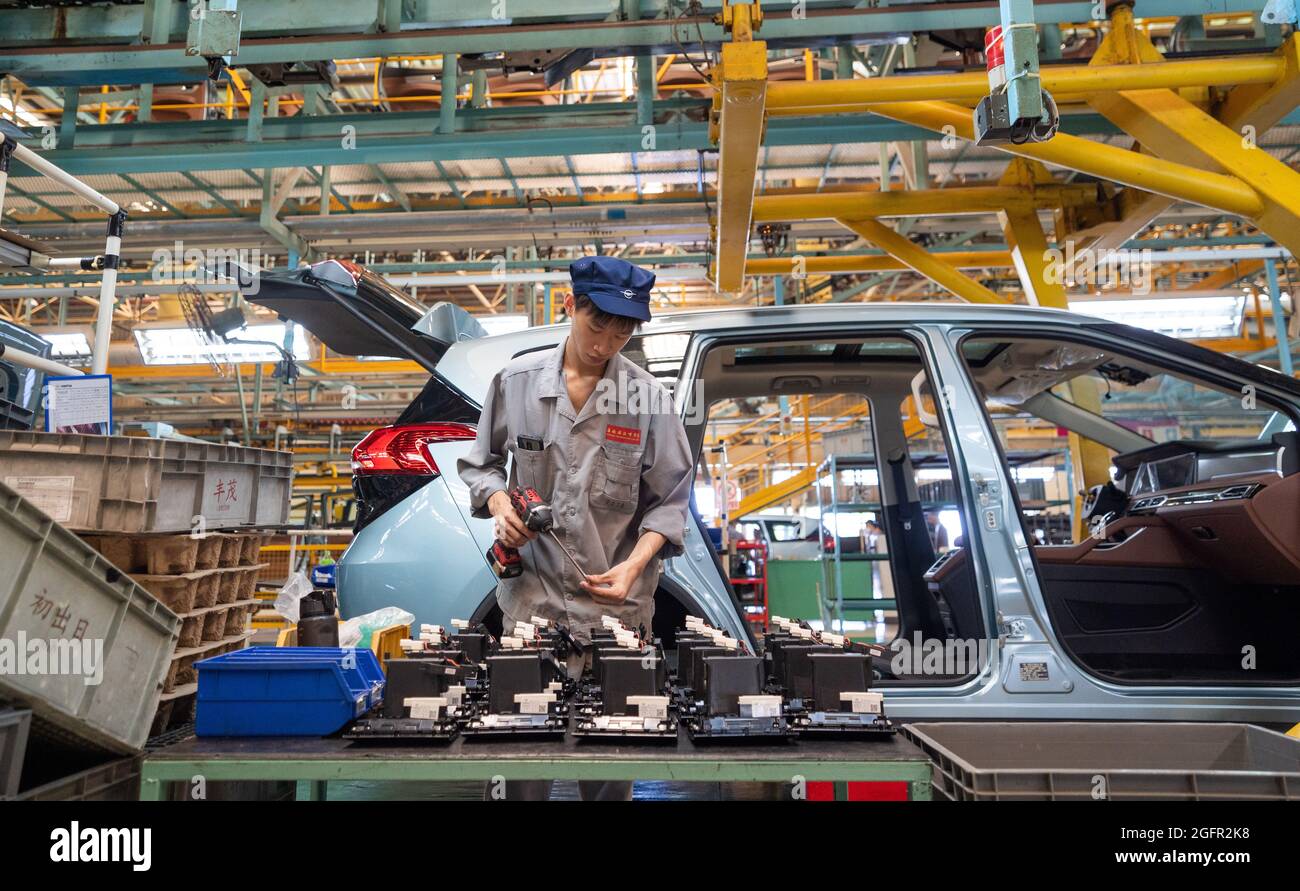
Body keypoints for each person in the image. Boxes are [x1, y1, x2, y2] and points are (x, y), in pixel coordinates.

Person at [457, 255, 694, 801]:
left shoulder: (647, 400)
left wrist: (635, 565)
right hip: (531, 610)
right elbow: (481, 464)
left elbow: (671, 499)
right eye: (597, 325)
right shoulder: (515, 384)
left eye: (622, 331)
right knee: (523, 763)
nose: (606, 343)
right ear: (569, 306)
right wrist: (499, 503)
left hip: (617, 616)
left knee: (611, 769)